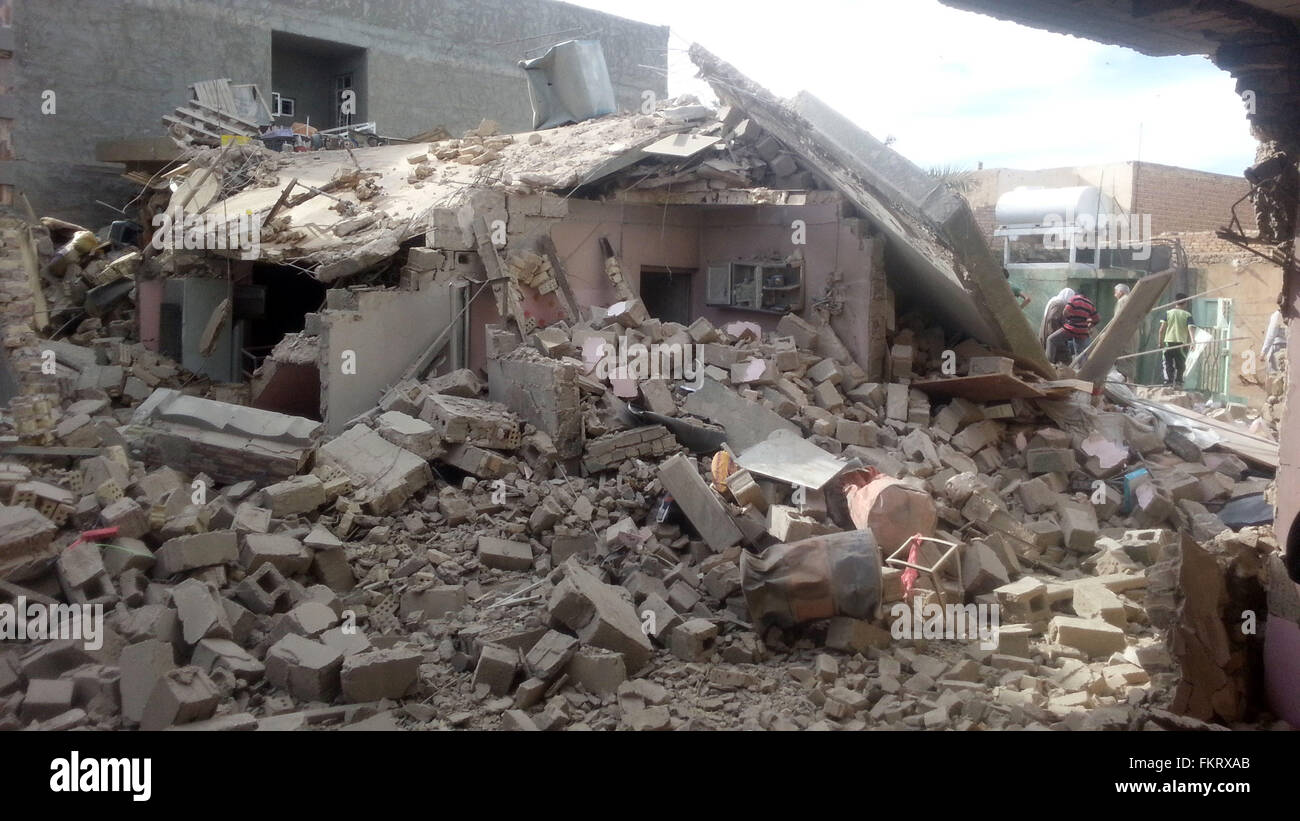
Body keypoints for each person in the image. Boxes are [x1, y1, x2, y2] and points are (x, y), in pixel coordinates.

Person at [1047, 291, 1099, 364]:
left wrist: (1068, 318)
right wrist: (1089, 325)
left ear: (1077, 294)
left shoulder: (1074, 299)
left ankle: (1049, 364)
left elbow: (1065, 312)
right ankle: (1081, 371)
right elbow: (1097, 319)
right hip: (1082, 331)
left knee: (1051, 339)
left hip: (1071, 328)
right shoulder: (1090, 303)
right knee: (1079, 353)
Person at [1157, 293, 1197, 387]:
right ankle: (1179, 382)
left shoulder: (1168, 313)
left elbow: (1161, 330)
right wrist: (1193, 341)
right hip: (1181, 343)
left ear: (1175, 302)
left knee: (1167, 362)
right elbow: (1190, 328)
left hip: (1168, 342)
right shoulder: (1187, 315)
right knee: (1181, 363)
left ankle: (1168, 382)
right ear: (1185, 303)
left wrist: (1160, 342)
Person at [1261, 292, 1287, 375]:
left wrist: (1264, 352)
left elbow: (1271, 335)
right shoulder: (1281, 316)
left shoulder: (1278, 316)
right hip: (1282, 349)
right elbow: (1271, 336)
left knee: (1277, 376)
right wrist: (1264, 351)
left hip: (1280, 349)